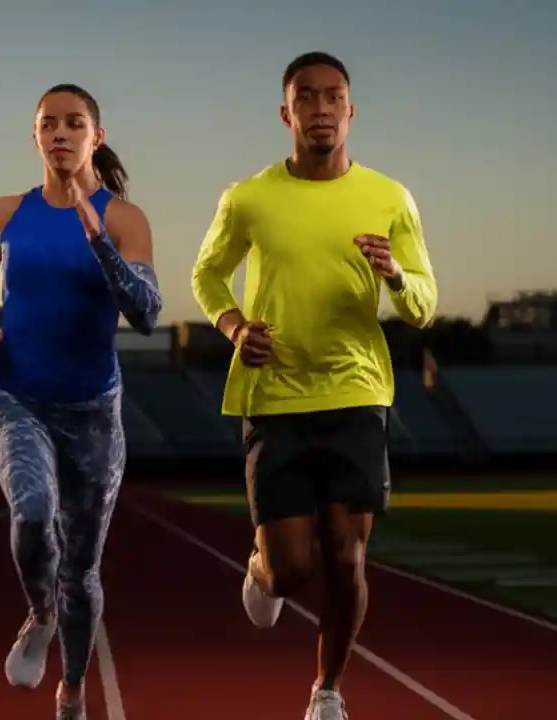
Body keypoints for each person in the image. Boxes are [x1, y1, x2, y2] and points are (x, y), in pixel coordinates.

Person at [190, 51, 437, 719]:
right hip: (274, 400)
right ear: (286, 113)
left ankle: (326, 692)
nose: (321, 108)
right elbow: (206, 277)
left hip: (357, 394)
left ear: (351, 111)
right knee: (294, 569)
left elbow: (422, 305)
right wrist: (237, 326)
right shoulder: (248, 198)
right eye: (307, 97)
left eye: (334, 97)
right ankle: (262, 569)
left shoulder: (390, 198)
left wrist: (393, 276)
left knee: (348, 558)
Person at [0, 82, 162, 720]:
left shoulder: (125, 218)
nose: (61, 133)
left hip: (93, 413)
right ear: (36, 136)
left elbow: (147, 313)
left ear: (95, 137)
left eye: (75, 123)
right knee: (30, 511)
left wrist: (97, 234)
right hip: (18, 395)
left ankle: (72, 688)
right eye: (49, 123)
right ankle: (38, 614)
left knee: (82, 572)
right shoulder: (2, 212)